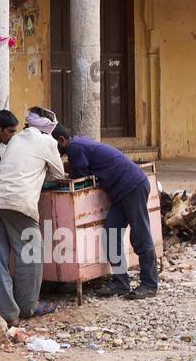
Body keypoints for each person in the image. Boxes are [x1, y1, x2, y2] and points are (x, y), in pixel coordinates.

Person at [53, 124, 159, 300]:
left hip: (132, 187)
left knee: (140, 235)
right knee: (111, 233)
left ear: (61, 140)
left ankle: (149, 284)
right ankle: (121, 282)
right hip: (123, 189)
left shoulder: (74, 148)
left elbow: (80, 177)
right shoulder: (79, 143)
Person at [0, 107, 65, 323]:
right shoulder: (48, 142)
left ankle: (7, 313)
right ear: (49, 129)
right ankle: (28, 306)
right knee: (31, 255)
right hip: (18, 202)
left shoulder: (16, 139)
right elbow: (59, 174)